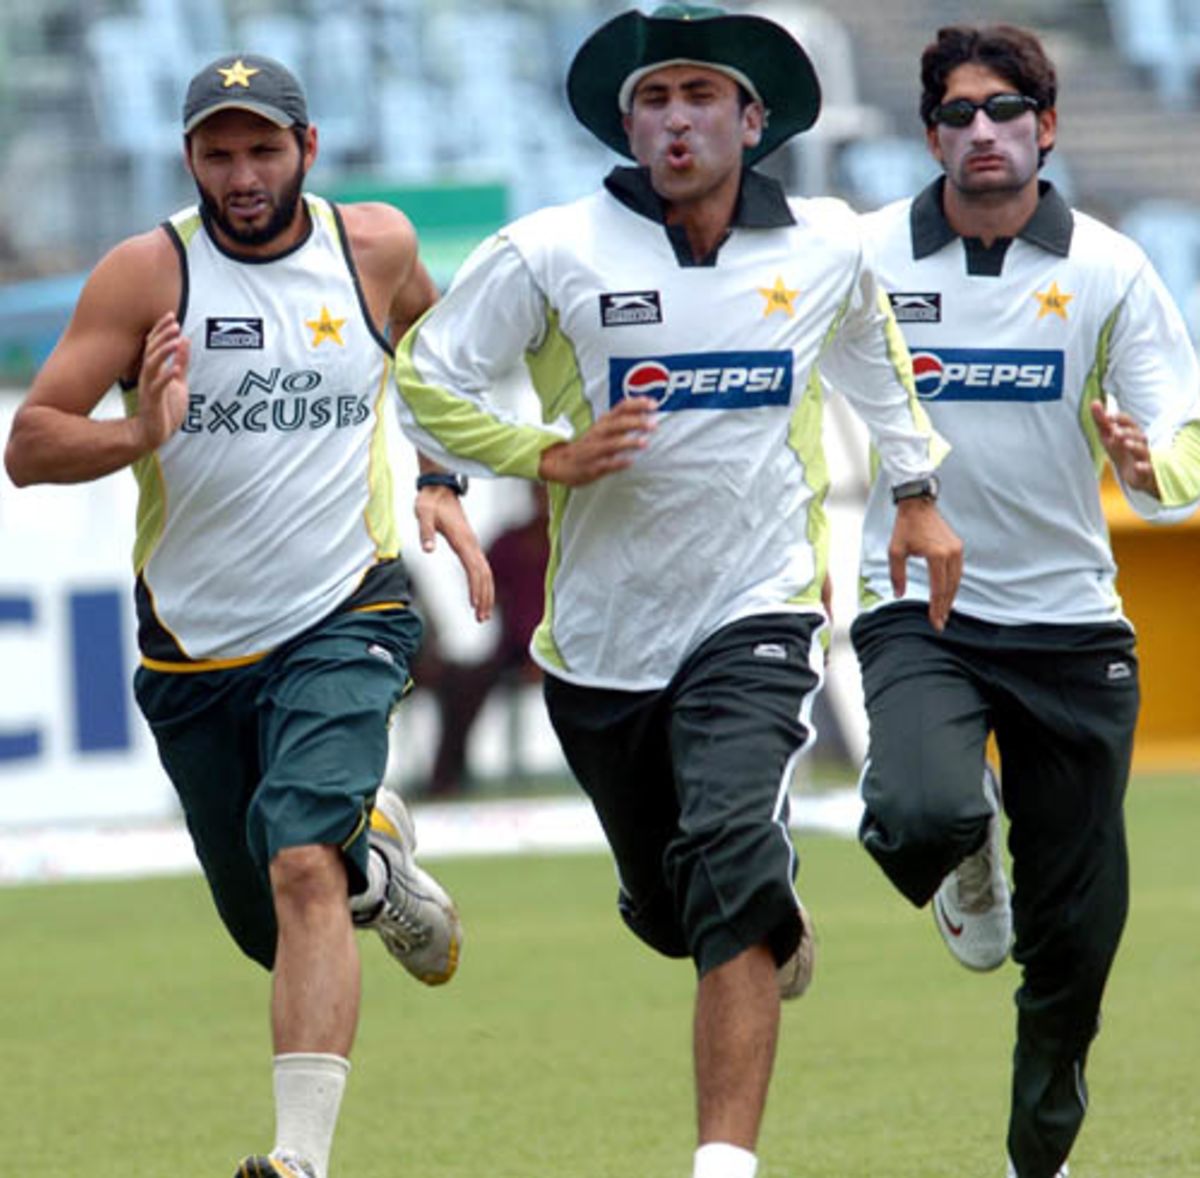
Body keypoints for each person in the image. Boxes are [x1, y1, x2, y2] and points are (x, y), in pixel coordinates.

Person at [392, 7, 963, 1177]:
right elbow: (426, 375)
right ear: (627, 122)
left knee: (732, 856)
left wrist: (915, 488)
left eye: (702, 95)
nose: (676, 119)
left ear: (753, 121)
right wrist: (538, 453)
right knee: (676, 911)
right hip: (599, 643)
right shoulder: (551, 248)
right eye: (655, 99)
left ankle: (722, 1161)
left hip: (757, 606)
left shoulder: (828, 245)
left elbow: (876, 356)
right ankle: (759, 912)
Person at [3, 53, 495, 1178]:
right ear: (188, 160)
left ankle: (298, 1160)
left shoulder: (374, 246)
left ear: (307, 151)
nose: (241, 173)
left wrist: (440, 478)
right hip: (192, 649)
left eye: (262, 149)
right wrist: (139, 433)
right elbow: (28, 445)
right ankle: (377, 864)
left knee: (299, 860)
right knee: (271, 921)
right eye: (218, 153)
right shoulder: (146, 275)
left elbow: (439, 358)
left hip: (344, 608)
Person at [847, 24, 1200, 1178]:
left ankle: (1032, 1162)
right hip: (919, 601)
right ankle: (963, 854)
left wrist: (1155, 469)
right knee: (918, 810)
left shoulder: (1107, 264)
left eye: (1006, 110)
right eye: (958, 113)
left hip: (1072, 623)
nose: (982, 131)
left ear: (1046, 127)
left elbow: (1182, 431)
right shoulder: (863, 258)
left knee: (1076, 949)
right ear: (930, 131)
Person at [422, 481, 551, 796]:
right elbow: (484, 590)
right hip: (514, 648)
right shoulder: (510, 542)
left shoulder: (571, 538)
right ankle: (447, 777)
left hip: (564, 646)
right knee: (464, 680)